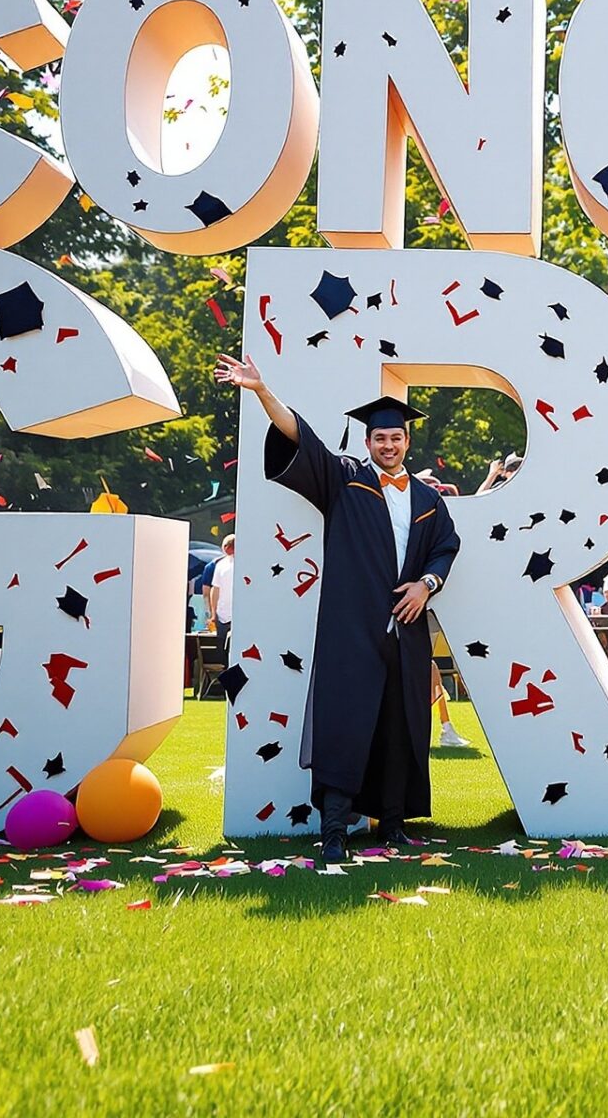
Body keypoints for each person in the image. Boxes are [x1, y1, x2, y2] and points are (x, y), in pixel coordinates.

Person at [216, 355, 460, 863]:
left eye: (396, 438)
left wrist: (426, 585)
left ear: (407, 442)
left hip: (407, 630)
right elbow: (299, 435)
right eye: (379, 438)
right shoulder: (345, 480)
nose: (388, 445)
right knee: (344, 723)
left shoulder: (428, 500)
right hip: (350, 629)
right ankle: (334, 830)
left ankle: (392, 825)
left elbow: (446, 547)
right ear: (368, 442)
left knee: (400, 724)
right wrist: (262, 392)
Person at [203, 534, 236, 646]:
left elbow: (213, 590)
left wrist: (213, 613)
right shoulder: (220, 565)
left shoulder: (220, 565)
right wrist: (214, 613)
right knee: (224, 648)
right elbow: (214, 590)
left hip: (231, 614)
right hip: (223, 614)